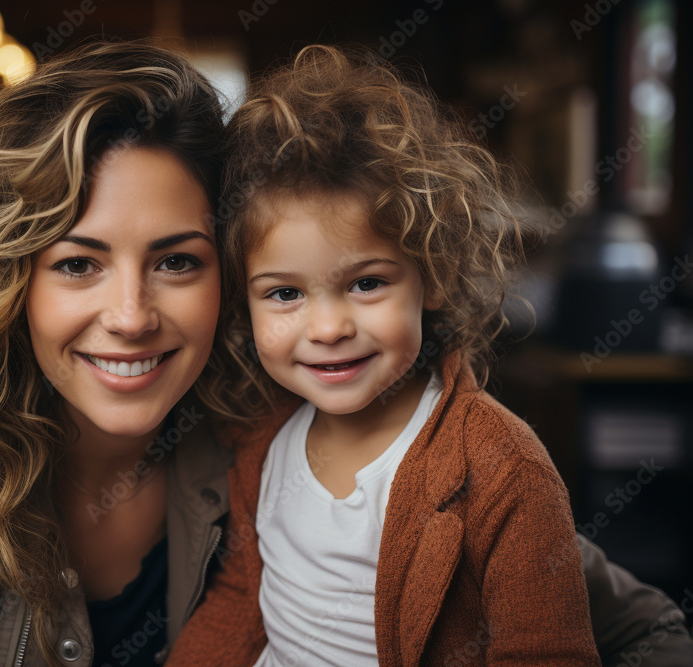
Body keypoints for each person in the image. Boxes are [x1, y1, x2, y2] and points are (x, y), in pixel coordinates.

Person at [0, 39, 689, 667]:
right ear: (11, 282)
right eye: (78, 263)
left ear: (230, 280)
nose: (130, 315)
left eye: (177, 261)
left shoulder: (302, 429)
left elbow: (639, 625)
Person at [166, 45, 693, 666]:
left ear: (433, 277)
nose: (330, 327)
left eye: (367, 283)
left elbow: (547, 654)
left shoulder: (503, 468)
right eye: (285, 293)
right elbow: (239, 603)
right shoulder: (260, 438)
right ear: (243, 305)